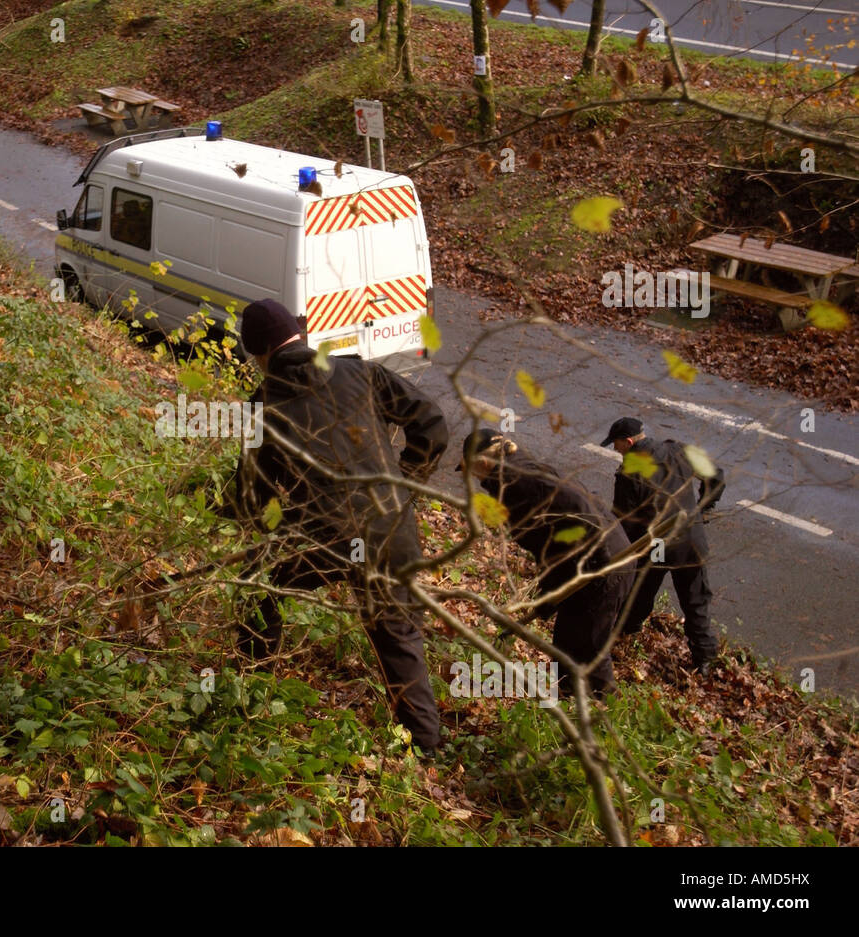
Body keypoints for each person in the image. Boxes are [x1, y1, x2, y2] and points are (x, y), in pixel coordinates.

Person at [232, 298, 449, 753]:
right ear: (300, 333)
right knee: (397, 629)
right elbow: (431, 425)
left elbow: (255, 496)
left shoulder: (262, 405)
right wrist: (404, 484)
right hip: (391, 523)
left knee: (258, 581)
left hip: (324, 532)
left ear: (259, 354)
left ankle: (247, 697)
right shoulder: (359, 372)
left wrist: (232, 509)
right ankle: (427, 748)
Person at [458, 429, 634, 697]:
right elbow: (550, 539)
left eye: (470, 469)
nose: (473, 477)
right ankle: (566, 702)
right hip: (590, 561)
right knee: (565, 645)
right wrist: (550, 593)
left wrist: (598, 564)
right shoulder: (514, 475)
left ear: (481, 463)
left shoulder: (518, 479)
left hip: (606, 564)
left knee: (589, 648)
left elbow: (580, 506)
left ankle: (609, 711)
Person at [601, 417, 724, 674]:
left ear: (629, 441)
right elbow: (716, 476)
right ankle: (704, 660)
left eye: (616, 444)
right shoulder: (677, 450)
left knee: (641, 589)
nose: (615, 450)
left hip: (658, 544)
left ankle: (627, 631)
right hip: (691, 539)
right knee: (695, 601)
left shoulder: (630, 473)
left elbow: (626, 522)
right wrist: (703, 508)